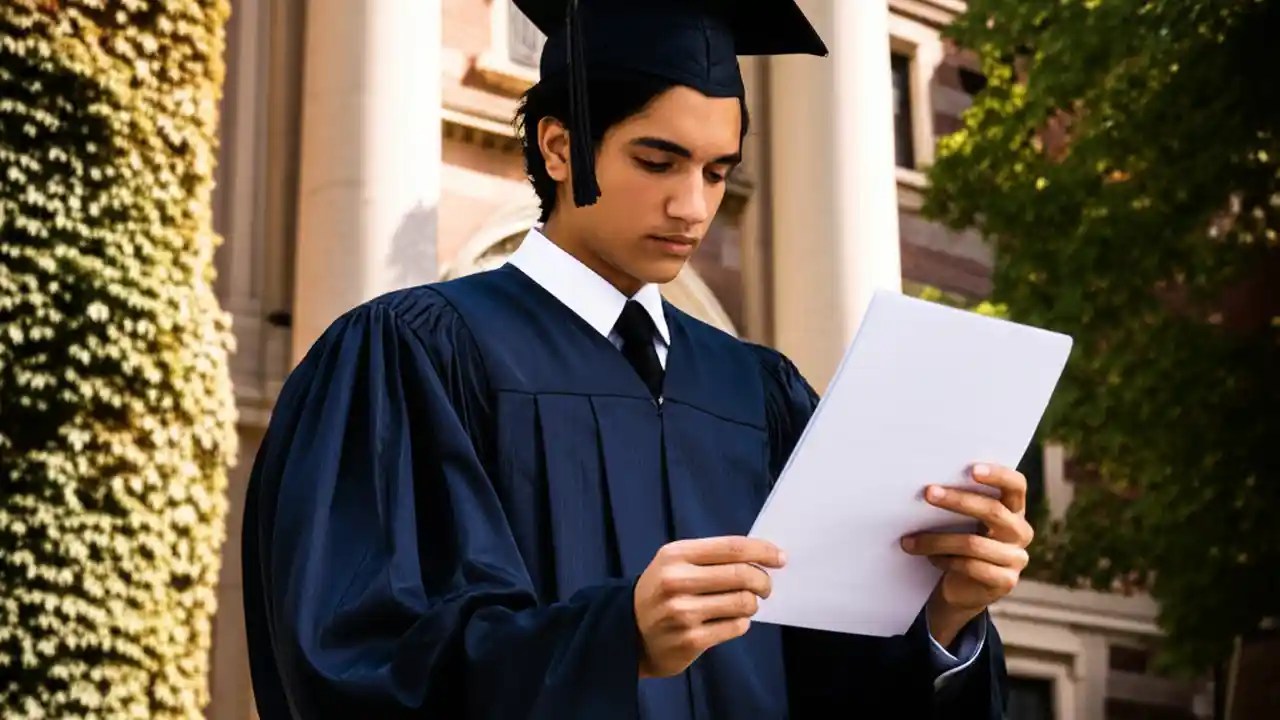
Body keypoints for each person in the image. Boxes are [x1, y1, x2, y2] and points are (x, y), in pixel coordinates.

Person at [242, 0, 1032, 717]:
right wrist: (611, 640)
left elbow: (826, 678)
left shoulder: (760, 394)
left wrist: (942, 618)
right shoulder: (412, 356)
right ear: (559, 147)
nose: (692, 206)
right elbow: (353, 666)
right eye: (658, 162)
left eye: (717, 172)